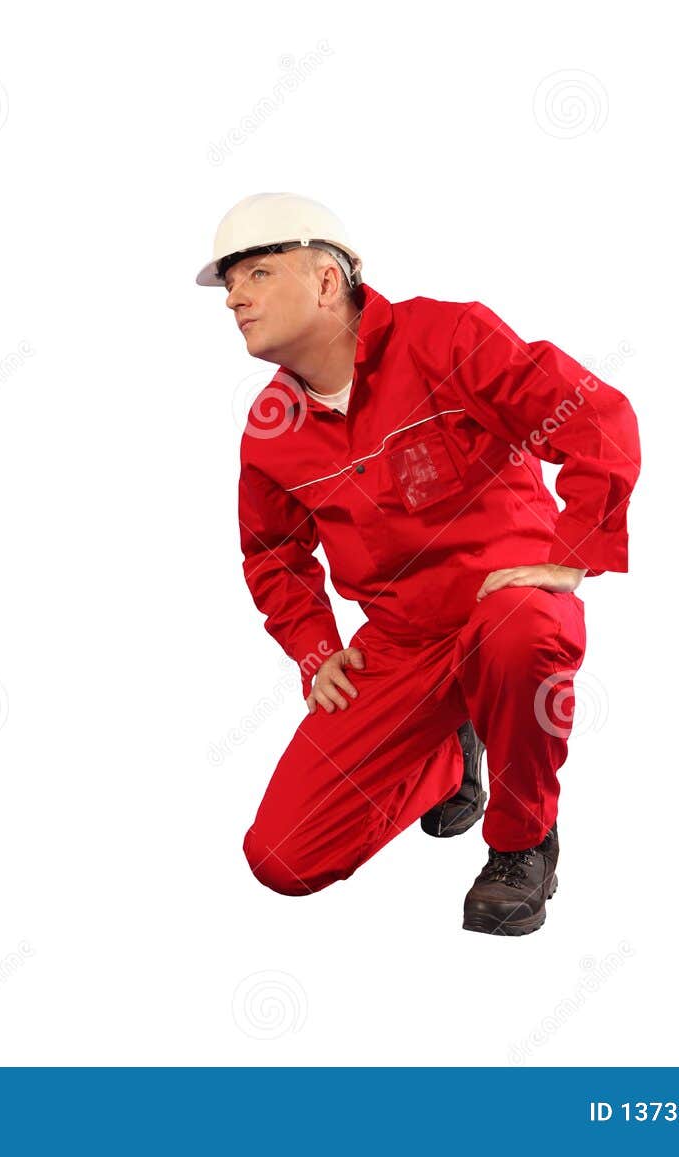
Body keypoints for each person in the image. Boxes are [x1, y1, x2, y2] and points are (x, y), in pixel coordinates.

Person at [203, 193, 640, 935]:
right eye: (231, 285)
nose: (236, 297)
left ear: (326, 280)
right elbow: (273, 554)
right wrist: (316, 651)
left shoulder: (447, 337)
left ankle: (522, 842)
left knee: (519, 626)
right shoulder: (271, 431)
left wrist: (572, 552)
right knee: (282, 857)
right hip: (402, 644)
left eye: (259, 273)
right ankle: (447, 753)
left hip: (504, 610)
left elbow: (595, 415)